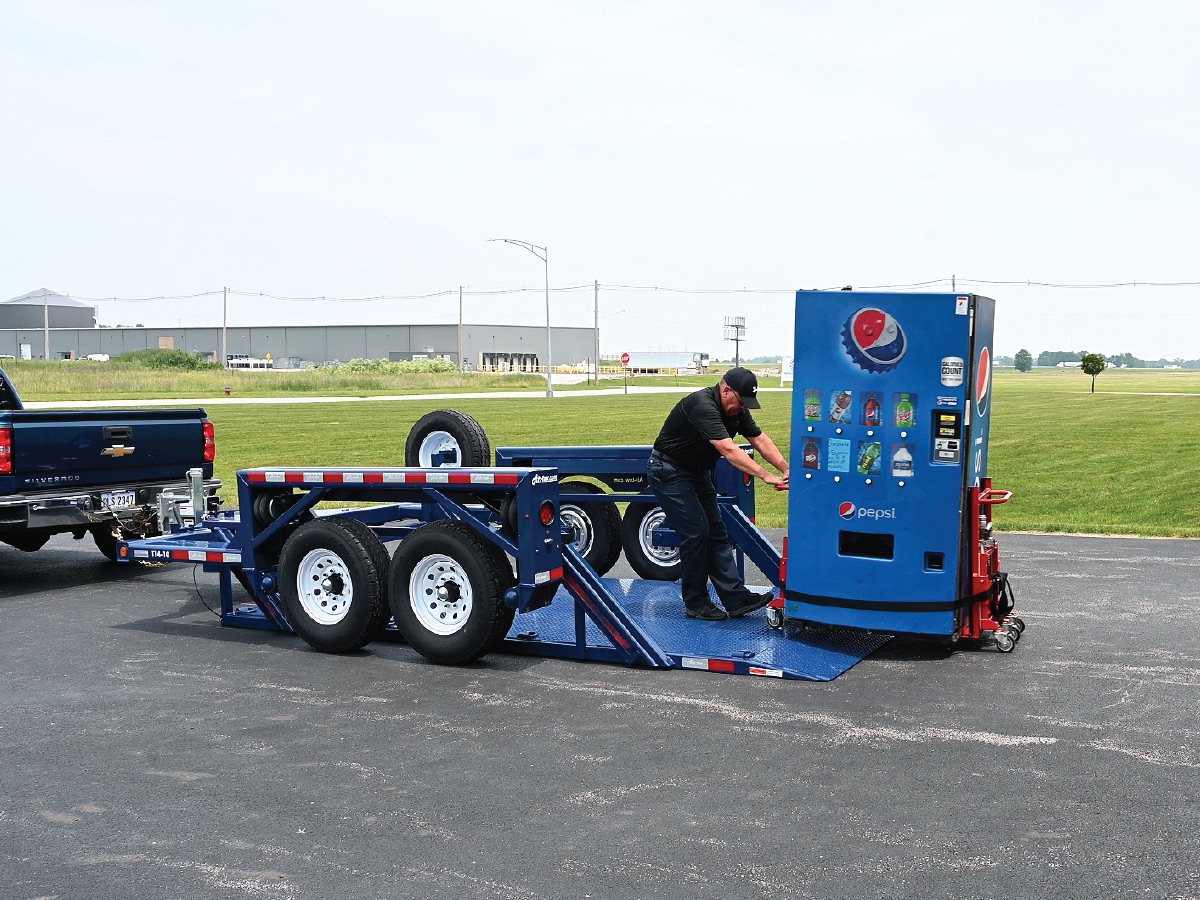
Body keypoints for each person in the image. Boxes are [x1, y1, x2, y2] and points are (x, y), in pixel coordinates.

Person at [647, 367, 790, 621]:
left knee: (716, 531)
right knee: (696, 532)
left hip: (698, 472)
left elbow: (759, 439)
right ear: (726, 391)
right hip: (669, 470)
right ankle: (696, 602)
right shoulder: (703, 406)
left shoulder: (738, 411)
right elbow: (728, 449)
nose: (742, 408)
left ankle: (736, 599)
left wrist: (785, 468)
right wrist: (764, 475)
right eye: (740, 402)